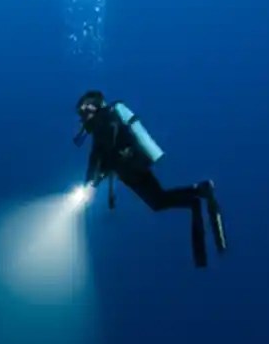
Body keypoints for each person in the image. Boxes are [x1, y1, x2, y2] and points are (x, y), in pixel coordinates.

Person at [73, 90, 228, 267]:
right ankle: (198, 191)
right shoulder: (102, 126)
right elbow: (98, 157)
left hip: (130, 166)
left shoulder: (106, 118)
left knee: (158, 201)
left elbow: (100, 153)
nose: (82, 117)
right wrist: (93, 180)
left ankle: (198, 195)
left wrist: (92, 182)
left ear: (93, 106)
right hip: (132, 169)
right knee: (158, 201)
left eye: (83, 111)